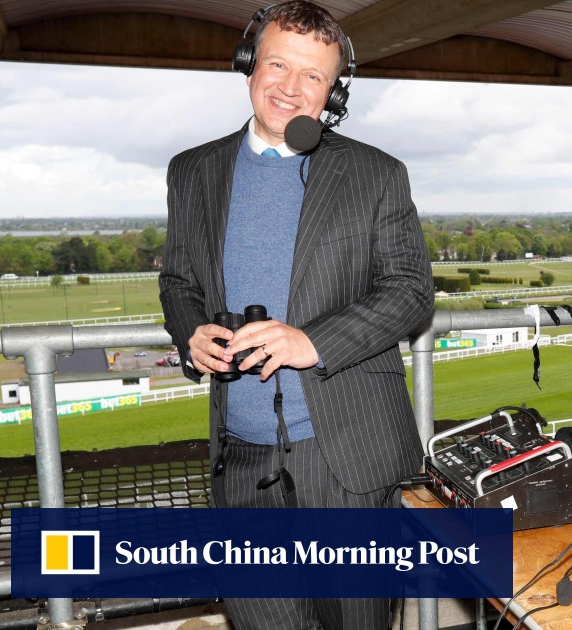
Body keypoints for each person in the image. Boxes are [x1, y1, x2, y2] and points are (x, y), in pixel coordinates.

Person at [158, 2, 433, 628]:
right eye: (278, 64)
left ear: (332, 93)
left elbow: (411, 290)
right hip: (241, 460)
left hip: (346, 462)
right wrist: (190, 330)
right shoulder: (192, 171)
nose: (290, 87)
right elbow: (177, 280)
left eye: (312, 76)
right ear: (250, 64)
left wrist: (313, 340)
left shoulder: (375, 174)